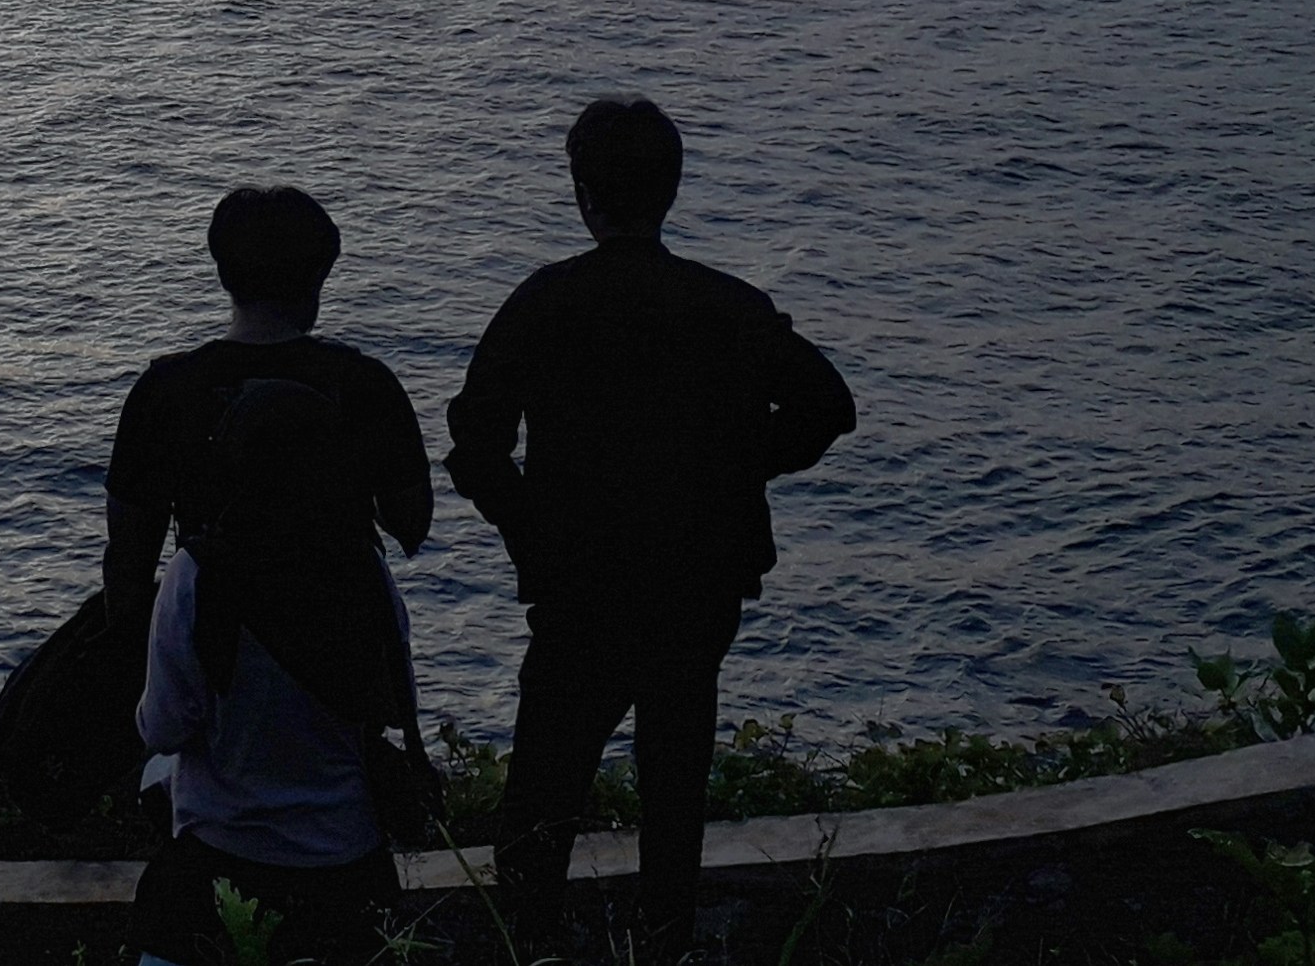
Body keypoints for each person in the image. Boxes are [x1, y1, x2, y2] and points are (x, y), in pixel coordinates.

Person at [445, 96, 856, 963]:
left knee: (542, 795)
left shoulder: (547, 301)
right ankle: (662, 944)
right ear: (670, 189)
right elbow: (828, 406)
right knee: (677, 785)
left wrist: (534, 532)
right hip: (695, 583)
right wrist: (745, 462)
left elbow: (475, 445)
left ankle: (533, 947)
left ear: (582, 193)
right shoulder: (727, 306)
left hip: (579, 589)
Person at [130, 379, 418, 966]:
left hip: (224, 855)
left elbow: (161, 729)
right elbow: (396, 703)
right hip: (348, 859)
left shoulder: (197, 575)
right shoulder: (363, 568)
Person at [105, 187, 435, 644]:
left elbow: (128, 558)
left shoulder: (164, 389)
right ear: (318, 273)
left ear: (224, 275)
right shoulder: (366, 384)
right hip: (337, 638)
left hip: (210, 634)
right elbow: (411, 525)